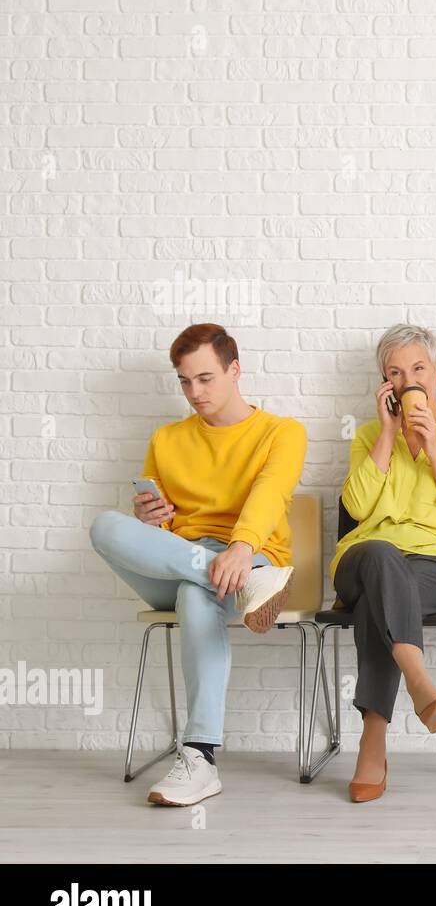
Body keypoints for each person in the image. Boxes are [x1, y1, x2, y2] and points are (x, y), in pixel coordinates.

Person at [89, 323, 306, 806]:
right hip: (201, 569)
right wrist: (151, 521)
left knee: (196, 592)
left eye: (205, 378)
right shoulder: (166, 439)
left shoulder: (282, 432)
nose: (194, 392)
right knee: (104, 525)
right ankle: (251, 584)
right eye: (185, 381)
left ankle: (200, 756)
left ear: (234, 370)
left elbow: (269, 495)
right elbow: (161, 539)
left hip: (248, 558)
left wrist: (243, 550)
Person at [330, 324, 436, 803]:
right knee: (382, 557)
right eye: (395, 373)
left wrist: (434, 452)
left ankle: (372, 743)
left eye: (417, 369)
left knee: (382, 601)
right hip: (365, 559)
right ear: (386, 383)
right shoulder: (366, 435)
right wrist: (387, 434)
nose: (408, 380)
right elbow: (357, 509)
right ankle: (420, 682)